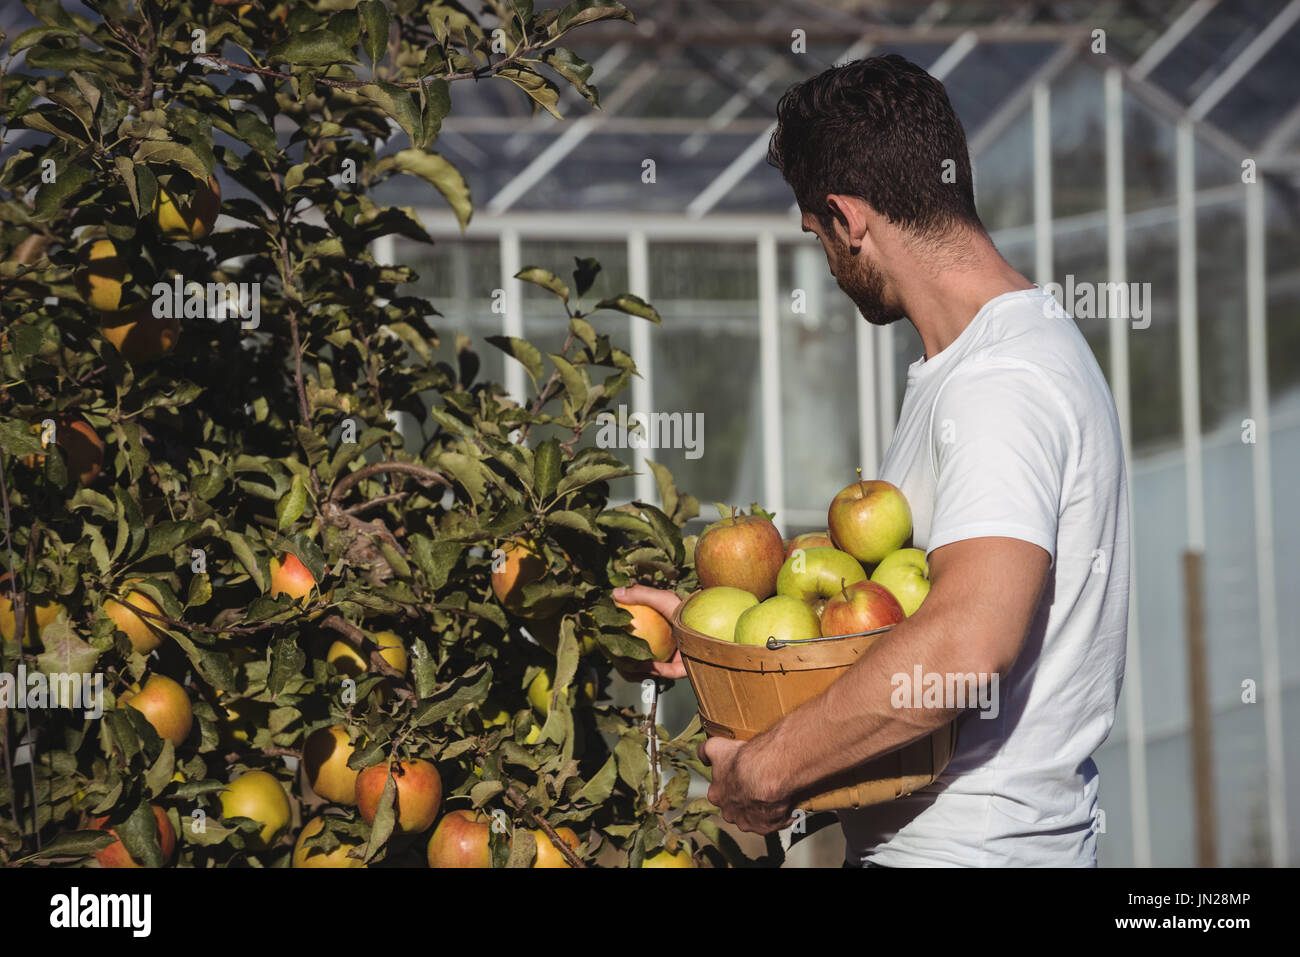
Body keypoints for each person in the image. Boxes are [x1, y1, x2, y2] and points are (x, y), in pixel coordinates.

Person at [614, 55, 1130, 867]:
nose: (824, 260)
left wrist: (768, 769)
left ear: (849, 219)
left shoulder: (1001, 383)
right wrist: (730, 644)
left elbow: (964, 643)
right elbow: (898, 619)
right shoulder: (986, 360)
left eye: (816, 233)